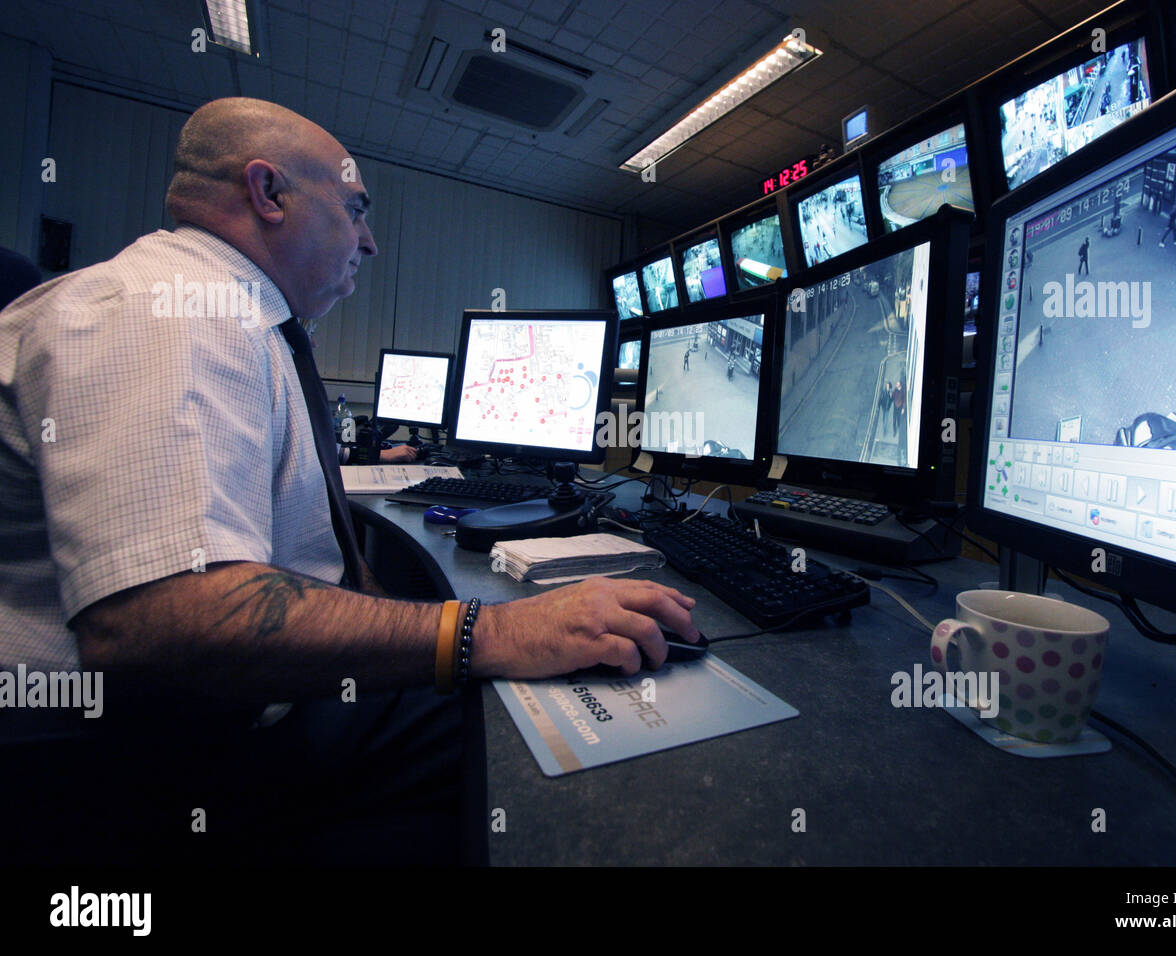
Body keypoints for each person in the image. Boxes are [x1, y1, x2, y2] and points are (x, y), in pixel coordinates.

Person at [0, 97, 697, 866]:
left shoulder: (225, 315)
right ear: (268, 194)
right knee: (512, 731)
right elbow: (162, 619)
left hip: (178, 728)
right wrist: (488, 630)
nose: (368, 242)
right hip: (133, 767)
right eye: (355, 209)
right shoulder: (167, 315)